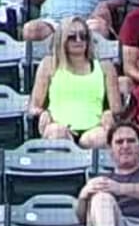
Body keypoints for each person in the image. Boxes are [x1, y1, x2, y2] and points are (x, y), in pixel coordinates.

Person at [26, 15, 121, 149]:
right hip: (59, 125)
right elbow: (34, 106)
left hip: (94, 127)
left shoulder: (105, 67)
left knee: (100, 138)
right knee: (57, 134)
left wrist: (109, 113)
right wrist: (43, 113)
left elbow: (116, 109)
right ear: (62, 40)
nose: (79, 40)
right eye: (72, 37)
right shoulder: (49, 65)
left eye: (83, 36)